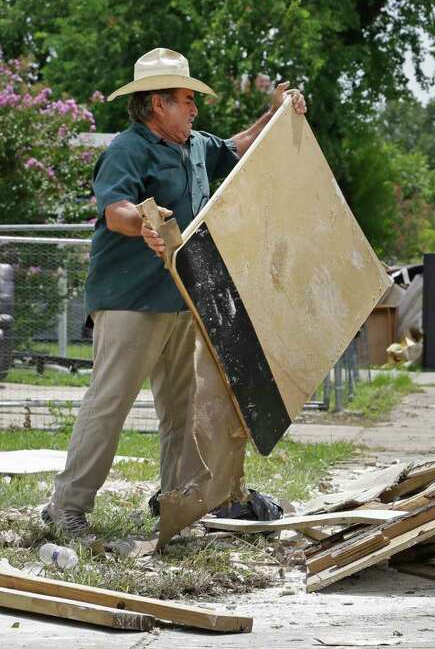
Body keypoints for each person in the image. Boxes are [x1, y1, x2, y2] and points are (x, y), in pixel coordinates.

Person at [42, 48, 306, 538]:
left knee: (181, 413)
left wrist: (281, 110)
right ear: (156, 104)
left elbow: (242, 143)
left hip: (184, 298)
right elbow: (115, 209)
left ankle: (175, 503)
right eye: (186, 99)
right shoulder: (128, 148)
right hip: (129, 300)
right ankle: (66, 508)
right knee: (110, 405)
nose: (195, 108)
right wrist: (141, 224)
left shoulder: (198, 147)